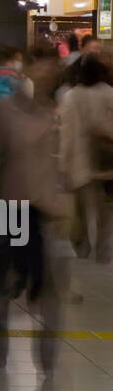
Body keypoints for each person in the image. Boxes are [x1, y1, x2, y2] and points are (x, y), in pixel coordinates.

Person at [0, 46, 72, 391]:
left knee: (51, 297)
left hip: (51, 214)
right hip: (12, 212)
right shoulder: (6, 112)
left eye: (50, 69)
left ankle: (48, 367)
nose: (43, 74)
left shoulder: (62, 111)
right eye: (38, 67)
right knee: (2, 289)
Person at [60, 52, 113, 263]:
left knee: (80, 209)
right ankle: (102, 246)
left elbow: (66, 134)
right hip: (106, 160)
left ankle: (82, 246)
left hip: (79, 161)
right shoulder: (109, 93)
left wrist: (63, 164)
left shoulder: (71, 97)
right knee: (105, 209)